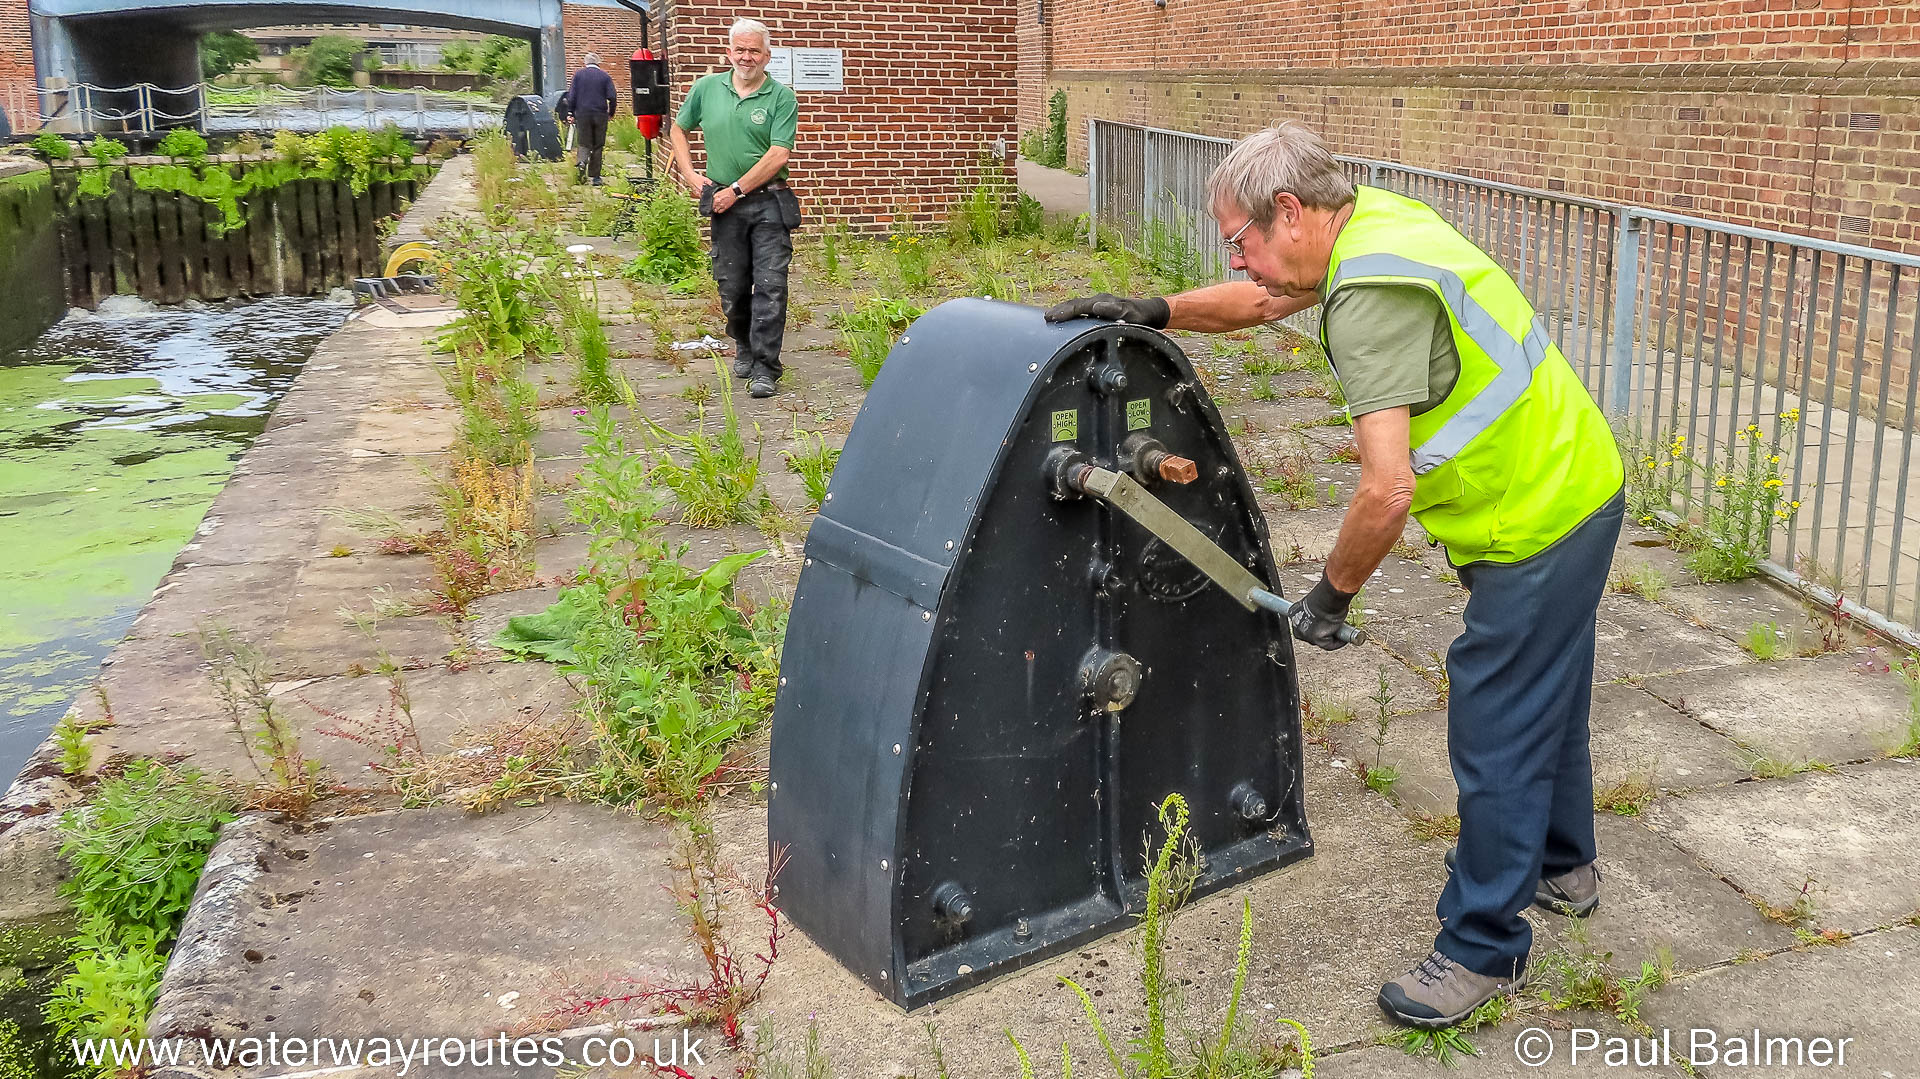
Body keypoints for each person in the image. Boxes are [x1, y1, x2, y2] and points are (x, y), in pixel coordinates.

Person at [1046, 121, 1625, 1031]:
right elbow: (1266, 300)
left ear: (1288, 210)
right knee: (1546, 685)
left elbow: (1386, 487)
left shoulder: (1368, 294)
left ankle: (1481, 946)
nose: (1239, 261)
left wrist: (1330, 597)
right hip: (1574, 479)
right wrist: (1154, 310)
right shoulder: (1370, 222)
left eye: (1240, 241)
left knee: (1498, 710)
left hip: (1537, 516)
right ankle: (1565, 864)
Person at [669, 17, 801, 399]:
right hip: (722, 203)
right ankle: (743, 343)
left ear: (767, 56)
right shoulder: (706, 89)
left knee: (772, 286)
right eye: (740, 50)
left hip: (768, 204)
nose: (747, 57)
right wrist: (691, 175)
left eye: (754, 50)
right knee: (733, 286)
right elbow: (679, 129)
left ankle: (765, 367)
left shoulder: (781, 97)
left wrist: (739, 189)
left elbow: (778, 154)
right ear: (729, 53)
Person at [564, 52, 618, 185]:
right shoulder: (605, 76)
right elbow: (612, 96)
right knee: (598, 144)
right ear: (598, 63)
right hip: (600, 114)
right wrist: (611, 112)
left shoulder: (578, 75)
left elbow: (572, 96)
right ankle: (596, 177)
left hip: (582, 114)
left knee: (584, 142)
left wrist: (570, 112)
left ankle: (582, 165)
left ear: (585, 62)